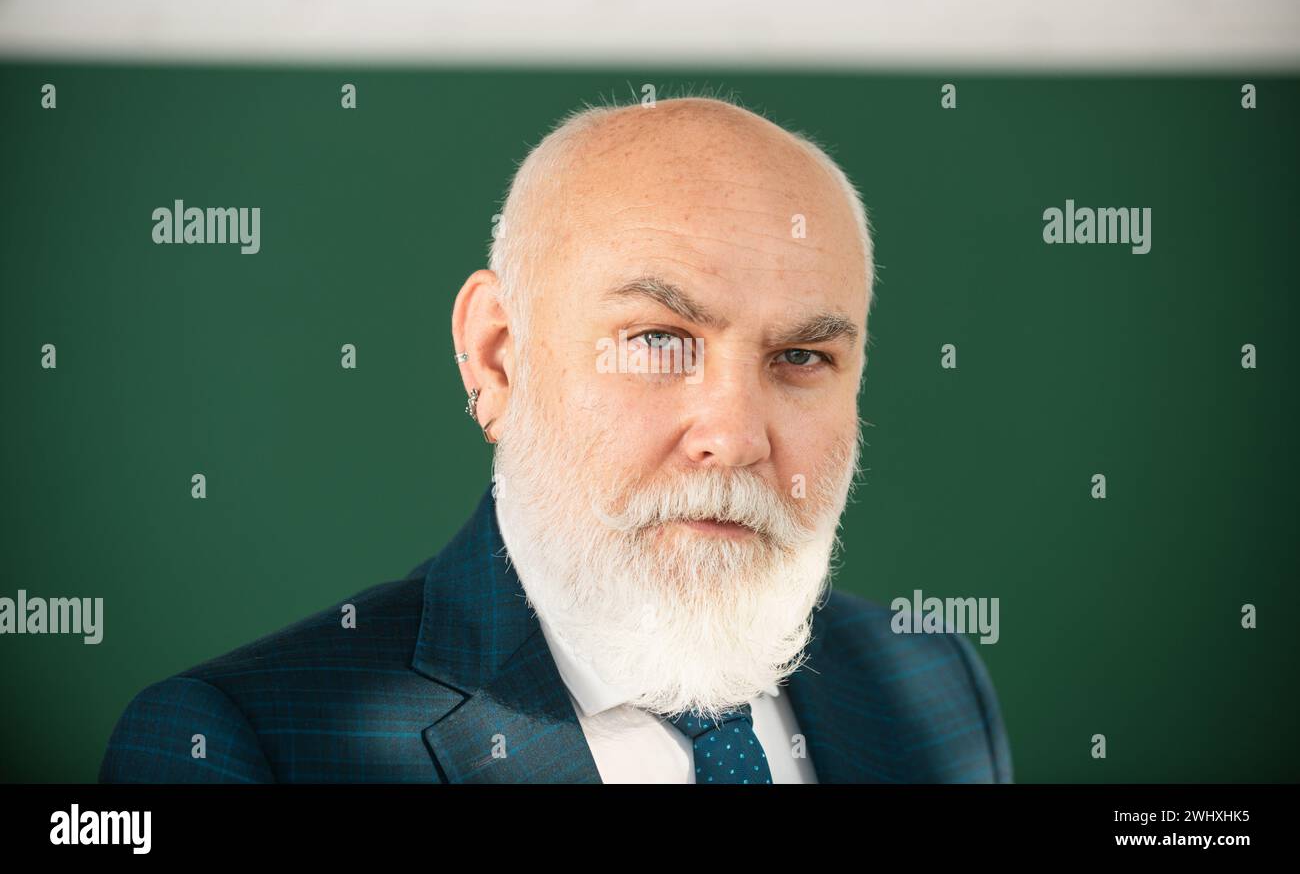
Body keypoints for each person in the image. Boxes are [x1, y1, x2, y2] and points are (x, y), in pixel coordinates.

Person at [99, 95, 1012, 784]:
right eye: (659, 340)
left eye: (803, 356)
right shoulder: (242, 744)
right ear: (498, 360)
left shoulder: (931, 688)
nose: (734, 438)